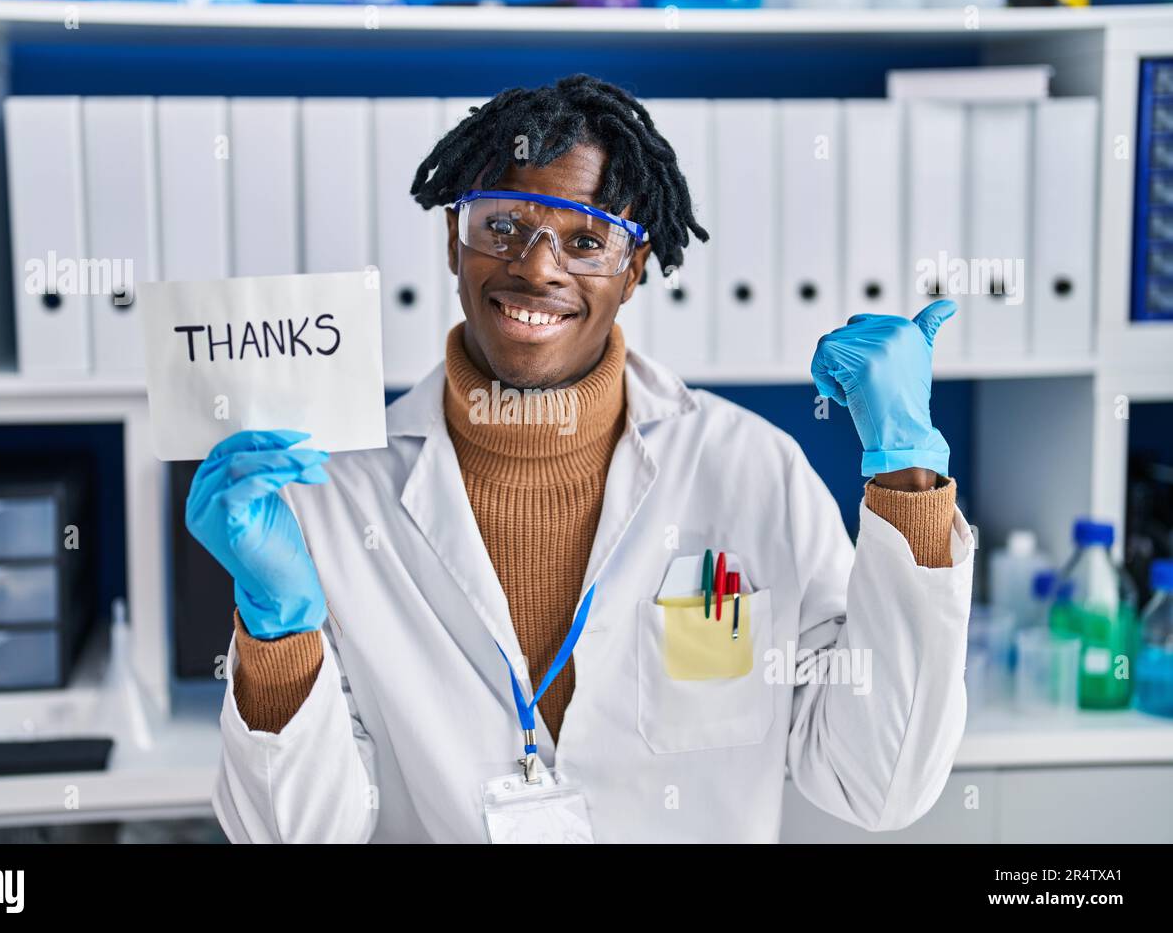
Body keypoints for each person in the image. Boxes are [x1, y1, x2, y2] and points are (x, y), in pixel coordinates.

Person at [187, 74, 973, 843]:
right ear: (453, 245)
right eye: (500, 227)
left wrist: (907, 475)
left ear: (634, 270)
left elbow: (879, 780)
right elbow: (294, 834)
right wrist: (277, 633)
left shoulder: (752, 472)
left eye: (587, 241)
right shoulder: (334, 496)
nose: (537, 267)